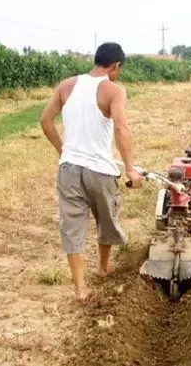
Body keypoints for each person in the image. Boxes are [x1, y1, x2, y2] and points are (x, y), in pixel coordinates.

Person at [40, 42, 144, 304]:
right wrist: (130, 169)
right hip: (99, 170)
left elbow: (45, 120)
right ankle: (102, 267)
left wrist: (63, 150)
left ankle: (81, 289)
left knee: (72, 227)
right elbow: (121, 129)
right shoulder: (114, 90)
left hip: (69, 170)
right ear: (116, 66)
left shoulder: (67, 85)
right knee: (106, 219)